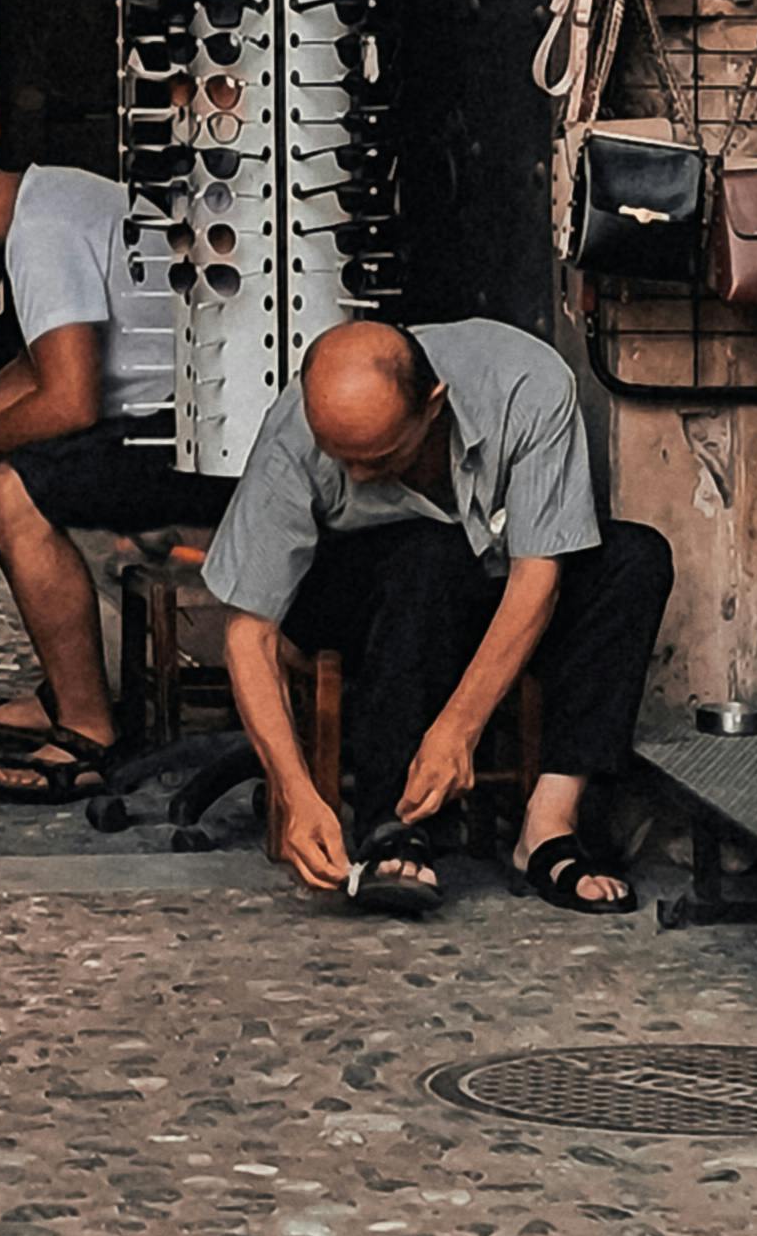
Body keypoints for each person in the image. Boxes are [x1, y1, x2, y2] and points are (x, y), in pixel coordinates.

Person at [202, 317, 674, 916]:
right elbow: (250, 634)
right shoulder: (295, 430)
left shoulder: (526, 384)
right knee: (425, 554)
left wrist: (458, 730)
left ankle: (549, 824)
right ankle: (391, 826)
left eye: (376, 458)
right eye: (339, 458)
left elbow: (538, 579)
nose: (355, 476)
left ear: (434, 406)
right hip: (357, 598)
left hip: (490, 584)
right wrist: (297, 792)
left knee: (635, 558)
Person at [0, 137, 230, 808]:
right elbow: (39, 364)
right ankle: (67, 690)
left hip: (196, 438)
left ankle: (90, 729)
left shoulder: (41, 234)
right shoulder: (50, 195)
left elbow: (69, 399)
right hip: (175, 421)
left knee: (10, 483)